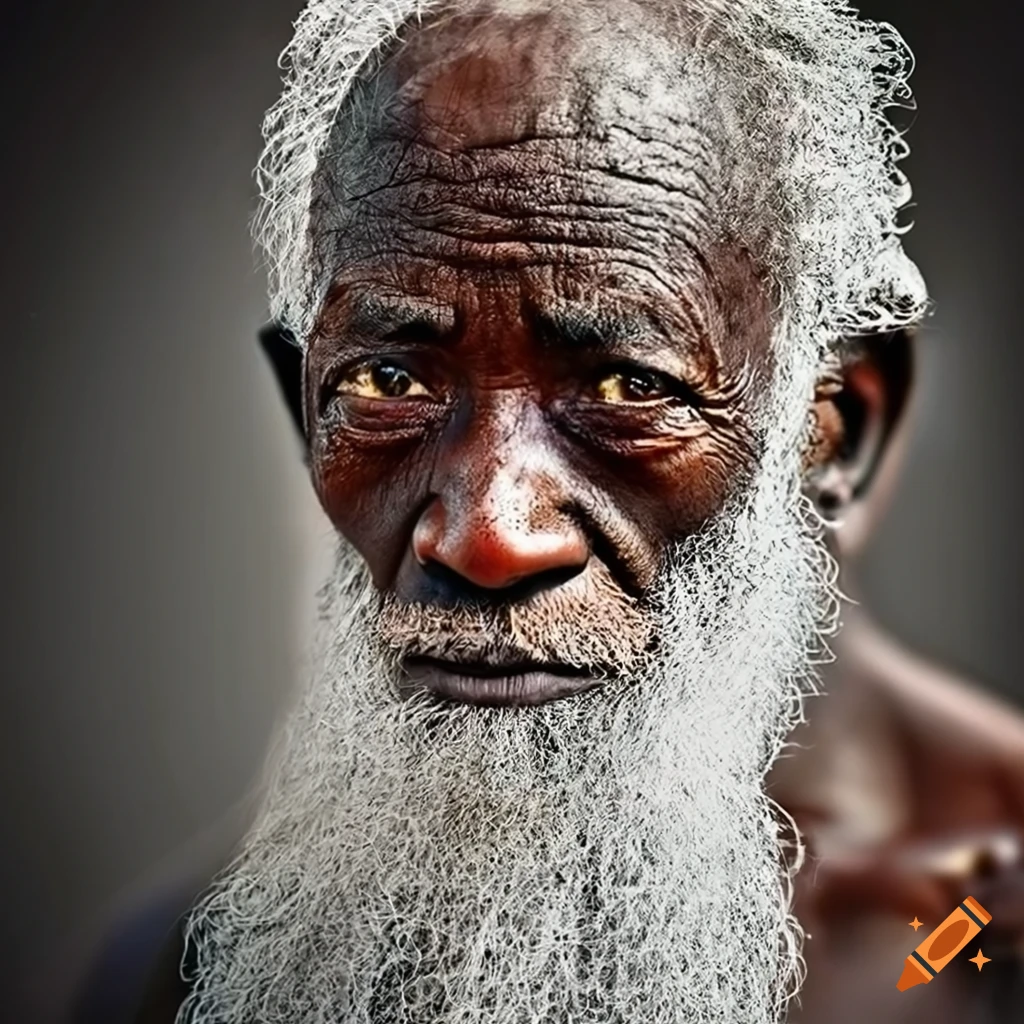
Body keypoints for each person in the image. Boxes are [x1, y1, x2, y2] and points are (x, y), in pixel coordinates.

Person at [61, 1, 1024, 1022]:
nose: (488, 535)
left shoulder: (978, 920)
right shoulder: (202, 973)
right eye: (389, 380)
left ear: (832, 426)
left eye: (624, 388)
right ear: (305, 413)